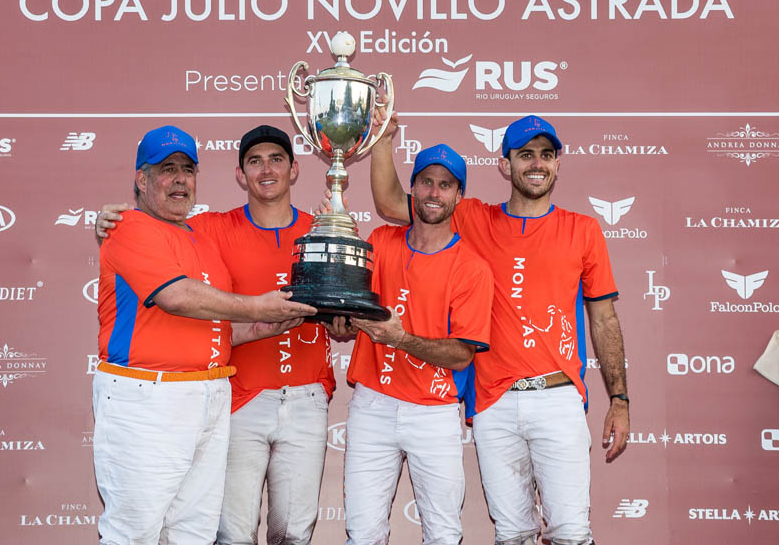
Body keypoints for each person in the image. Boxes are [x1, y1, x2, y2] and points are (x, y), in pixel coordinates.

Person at [369, 112, 629, 545]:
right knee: (512, 533)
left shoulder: (583, 229)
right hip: (493, 403)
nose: (537, 163)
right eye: (525, 154)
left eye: (547, 155)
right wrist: (382, 141)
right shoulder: (472, 217)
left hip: (558, 398)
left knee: (570, 531)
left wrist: (619, 399)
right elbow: (393, 203)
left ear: (558, 164)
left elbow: (604, 319)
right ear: (505, 165)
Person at [97, 125, 334, 545]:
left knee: (195, 531)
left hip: (209, 394)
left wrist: (258, 328)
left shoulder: (199, 238)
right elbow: (176, 297)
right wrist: (260, 306)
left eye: (187, 171)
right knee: (134, 532)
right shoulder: (130, 227)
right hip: (148, 396)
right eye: (166, 170)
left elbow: (211, 325)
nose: (179, 180)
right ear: (142, 180)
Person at [327, 144, 494, 545]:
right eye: (426, 183)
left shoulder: (472, 267)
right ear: (413, 189)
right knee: (363, 533)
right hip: (373, 404)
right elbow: (350, 312)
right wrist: (342, 321)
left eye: (445, 185)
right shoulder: (381, 241)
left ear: (459, 196)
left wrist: (401, 339)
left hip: (433, 412)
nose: (434, 193)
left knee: (443, 534)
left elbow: (461, 355)